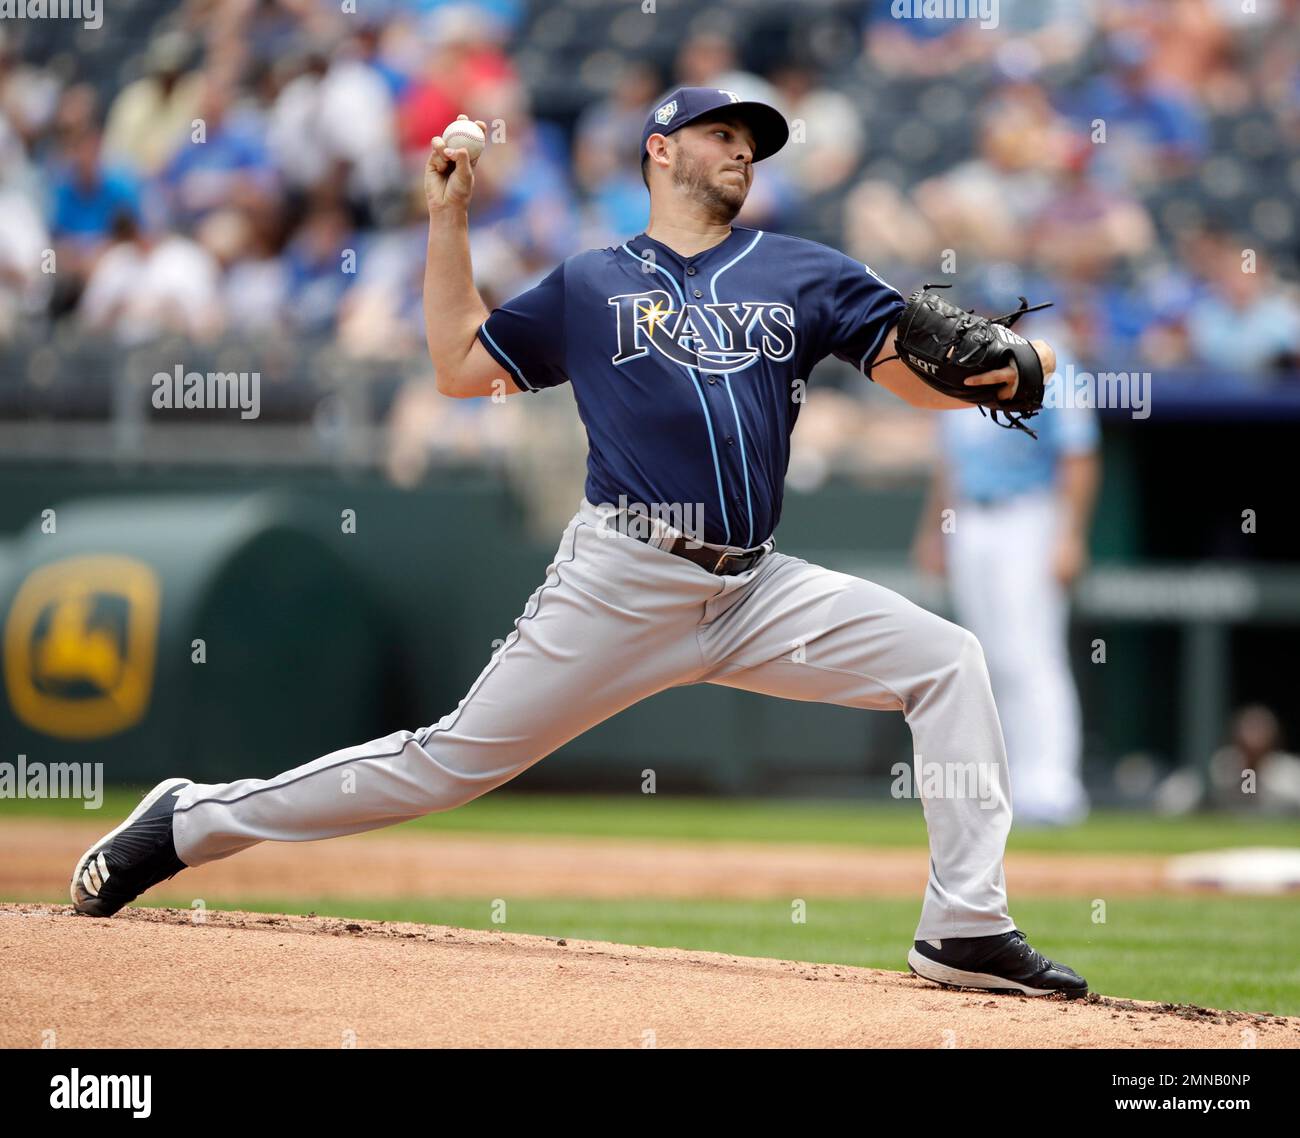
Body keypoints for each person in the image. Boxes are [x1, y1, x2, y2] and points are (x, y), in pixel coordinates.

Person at [71, 88, 1088, 998]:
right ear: (659, 150)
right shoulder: (592, 281)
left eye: (753, 143)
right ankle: (192, 819)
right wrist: (448, 216)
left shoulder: (801, 269)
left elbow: (912, 371)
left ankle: (964, 925)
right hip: (621, 577)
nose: (742, 153)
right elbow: (462, 366)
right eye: (722, 134)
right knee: (443, 766)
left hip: (754, 589)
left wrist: (999, 368)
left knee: (946, 661)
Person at [912, 356, 1101, 826]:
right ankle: (1012, 783)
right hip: (972, 519)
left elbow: (1079, 457)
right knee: (988, 658)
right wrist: (935, 530)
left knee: (1031, 653)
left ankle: (1053, 784)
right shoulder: (957, 367)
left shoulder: (1056, 369)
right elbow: (948, 463)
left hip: (1030, 515)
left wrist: (1071, 535)